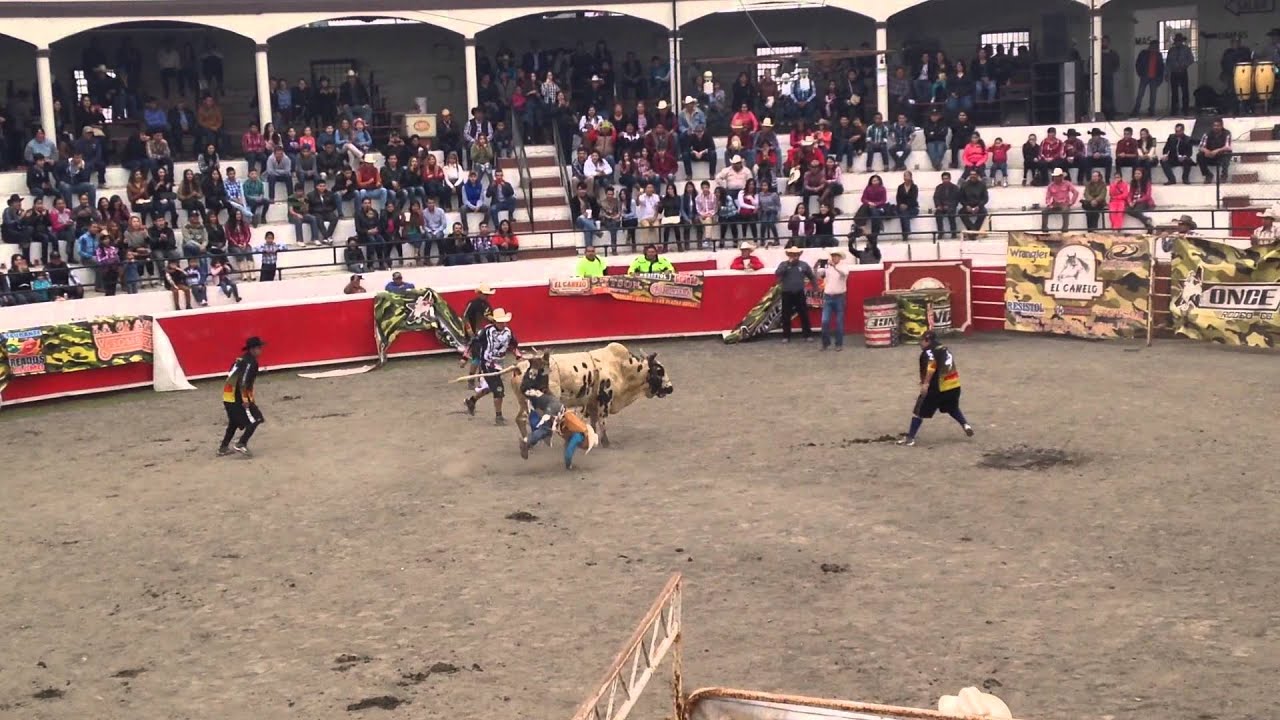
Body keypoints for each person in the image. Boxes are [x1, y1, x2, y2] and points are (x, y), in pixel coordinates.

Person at [897, 330, 973, 447]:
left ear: (927, 340)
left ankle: (910, 438)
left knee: (919, 411)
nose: (920, 344)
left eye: (921, 341)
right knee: (952, 408)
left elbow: (931, 367)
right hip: (953, 385)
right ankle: (965, 425)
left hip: (937, 387)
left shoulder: (929, 352)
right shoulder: (944, 348)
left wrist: (925, 384)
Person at [518, 358, 592, 470]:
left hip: (552, 405)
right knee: (545, 429)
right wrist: (569, 465)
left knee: (536, 390)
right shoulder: (580, 434)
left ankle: (541, 366)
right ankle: (527, 441)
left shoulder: (576, 432)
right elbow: (569, 450)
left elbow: (567, 445)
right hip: (555, 408)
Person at [462, 307, 519, 425]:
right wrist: (465, 357)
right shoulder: (486, 331)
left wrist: (518, 355)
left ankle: (471, 401)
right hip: (487, 364)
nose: (502, 324)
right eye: (500, 322)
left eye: (504, 321)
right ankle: (499, 417)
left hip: (499, 364)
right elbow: (473, 342)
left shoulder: (508, 332)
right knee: (499, 389)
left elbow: (513, 346)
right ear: (495, 322)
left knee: (489, 388)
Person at [218, 336, 266, 457]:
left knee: (234, 422)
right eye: (259, 348)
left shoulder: (240, 359)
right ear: (252, 349)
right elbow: (244, 381)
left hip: (228, 395)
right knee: (256, 418)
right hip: (237, 396)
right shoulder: (250, 362)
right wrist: (246, 399)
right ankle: (241, 443)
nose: (261, 350)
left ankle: (223, 447)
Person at [775, 245, 817, 343]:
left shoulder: (804, 265)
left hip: (799, 292)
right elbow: (777, 273)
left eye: (796, 255)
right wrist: (787, 265)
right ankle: (786, 336)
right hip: (786, 293)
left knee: (804, 314)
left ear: (799, 255)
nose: (794, 256)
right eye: (792, 255)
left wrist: (815, 287)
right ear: (789, 255)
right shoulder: (783, 264)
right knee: (786, 315)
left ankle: (807, 335)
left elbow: (811, 276)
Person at [815, 249, 848, 351]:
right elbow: (817, 275)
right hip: (828, 297)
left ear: (839, 258)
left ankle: (838, 344)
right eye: (833, 256)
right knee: (825, 321)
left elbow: (844, 273)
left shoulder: (844, 267)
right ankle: (826, 343)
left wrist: (834, 266)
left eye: (836, 256)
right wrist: (816, 266)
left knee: (839, 322)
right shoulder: (828, 268)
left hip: (839, 297)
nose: (834, 258)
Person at [1131, 40, 1164, 118]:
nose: (1155, 48)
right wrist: (1140, 73)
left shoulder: (1158, 55)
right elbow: (1138, 63)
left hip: (1154, 78)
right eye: (1154, 46)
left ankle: (1151, 111)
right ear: (1150, 46)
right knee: (1140, 94)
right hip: (1145, 76)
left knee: (1153, 96)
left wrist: (1160, 79)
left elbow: (1161, 67)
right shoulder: (1143, 53)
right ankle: (1136, 110)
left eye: (1156, 46)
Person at [1165, 33, 1195, 117]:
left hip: (1182, 72)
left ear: (1181, 41)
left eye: (1179, 41)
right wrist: (1167, 73)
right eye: (1177, 41)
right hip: (1174, 72)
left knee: (1185, 91)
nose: (1178, 42)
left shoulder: (1186, 49)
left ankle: (1185, 109)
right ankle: (1174, 110)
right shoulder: (1171, 50)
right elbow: (1168, 62)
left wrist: (1184, 65)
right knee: (1174, 93)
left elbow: (1191, 59)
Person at [1197, 118, 1232, 184]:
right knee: (1199, 155)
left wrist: (1217, 151)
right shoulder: (1207, 134)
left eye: (1218, 126)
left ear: (1222, 126)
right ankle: (1208, 175)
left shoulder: (1227, 133)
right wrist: (1206, 150)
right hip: (1210, 155)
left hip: (1221, 155)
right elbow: (1200, 146)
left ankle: (1224, 175)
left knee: (1227, 153)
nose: (1216, 127)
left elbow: (1228, 147)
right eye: (1214, 126)